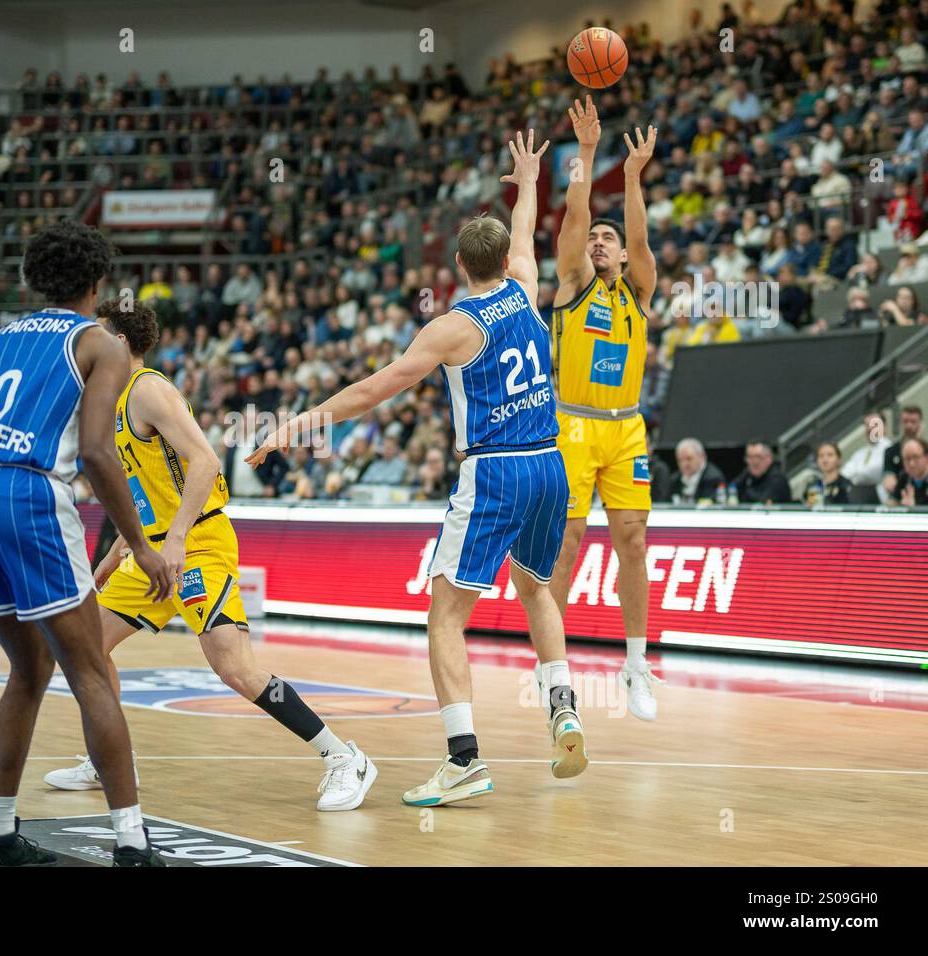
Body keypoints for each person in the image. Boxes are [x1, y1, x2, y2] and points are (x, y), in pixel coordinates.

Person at [251, 129, 588, 808]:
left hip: (495, 472)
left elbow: (375, 389)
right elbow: (523, 233)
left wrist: (297, 424)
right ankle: (563, 706)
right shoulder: (525, 287)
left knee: (445, 617)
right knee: (537, 592)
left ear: (459, 266)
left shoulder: (453, 327)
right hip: (552, 465)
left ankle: (464, 760)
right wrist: (527, 182)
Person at [45, 301, 377, 812]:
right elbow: (145, 491)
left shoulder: (149, 391)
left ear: (120, 341)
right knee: (88, 647)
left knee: (234, 668)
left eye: (98, 334)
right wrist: (119, 551)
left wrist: (176, 539)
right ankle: (110, 759)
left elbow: (203, 461)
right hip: (152, 548)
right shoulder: (107, 400)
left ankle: (343, 756)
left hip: (196, 540)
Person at [0, 221, 173, 867]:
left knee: (29, 668)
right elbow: (97, 451)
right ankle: (131, 844)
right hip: (27, 494)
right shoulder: (101, 344)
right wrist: (141, 545)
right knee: (90, 668)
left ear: (33, 279)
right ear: (98, 282)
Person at [545, 97, 663, 721]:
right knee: (567, 544)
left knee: (633, 541)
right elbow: (573, 216)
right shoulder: (570, 284)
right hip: (571, 424)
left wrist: (636, 176)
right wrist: (587, 154)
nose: (597, 240)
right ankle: (557, 676)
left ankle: (636, 665)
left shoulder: (638, 292)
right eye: (594, 237)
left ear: (622, 258)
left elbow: (640, 237)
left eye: (606, 238)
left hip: (626, 430)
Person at [732, 440, 792, 504]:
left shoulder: (778, 479)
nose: (754, 462)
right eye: (750, 457)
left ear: (769, 458)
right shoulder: (747, 475)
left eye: (758, 457)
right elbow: (731, 489)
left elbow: (762, 505)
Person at [673, 437, 727, 503]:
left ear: (702, 456)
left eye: (689, 458)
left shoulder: (713, 478)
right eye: (680, 460)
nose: (684, 464)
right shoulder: (675, 479)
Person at [891, 436, 928, 507]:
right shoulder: (904, 478)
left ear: (926, 457)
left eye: (916, 457)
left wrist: (914, 509)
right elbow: (892, 503)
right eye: (907, 459)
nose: (911, 464)